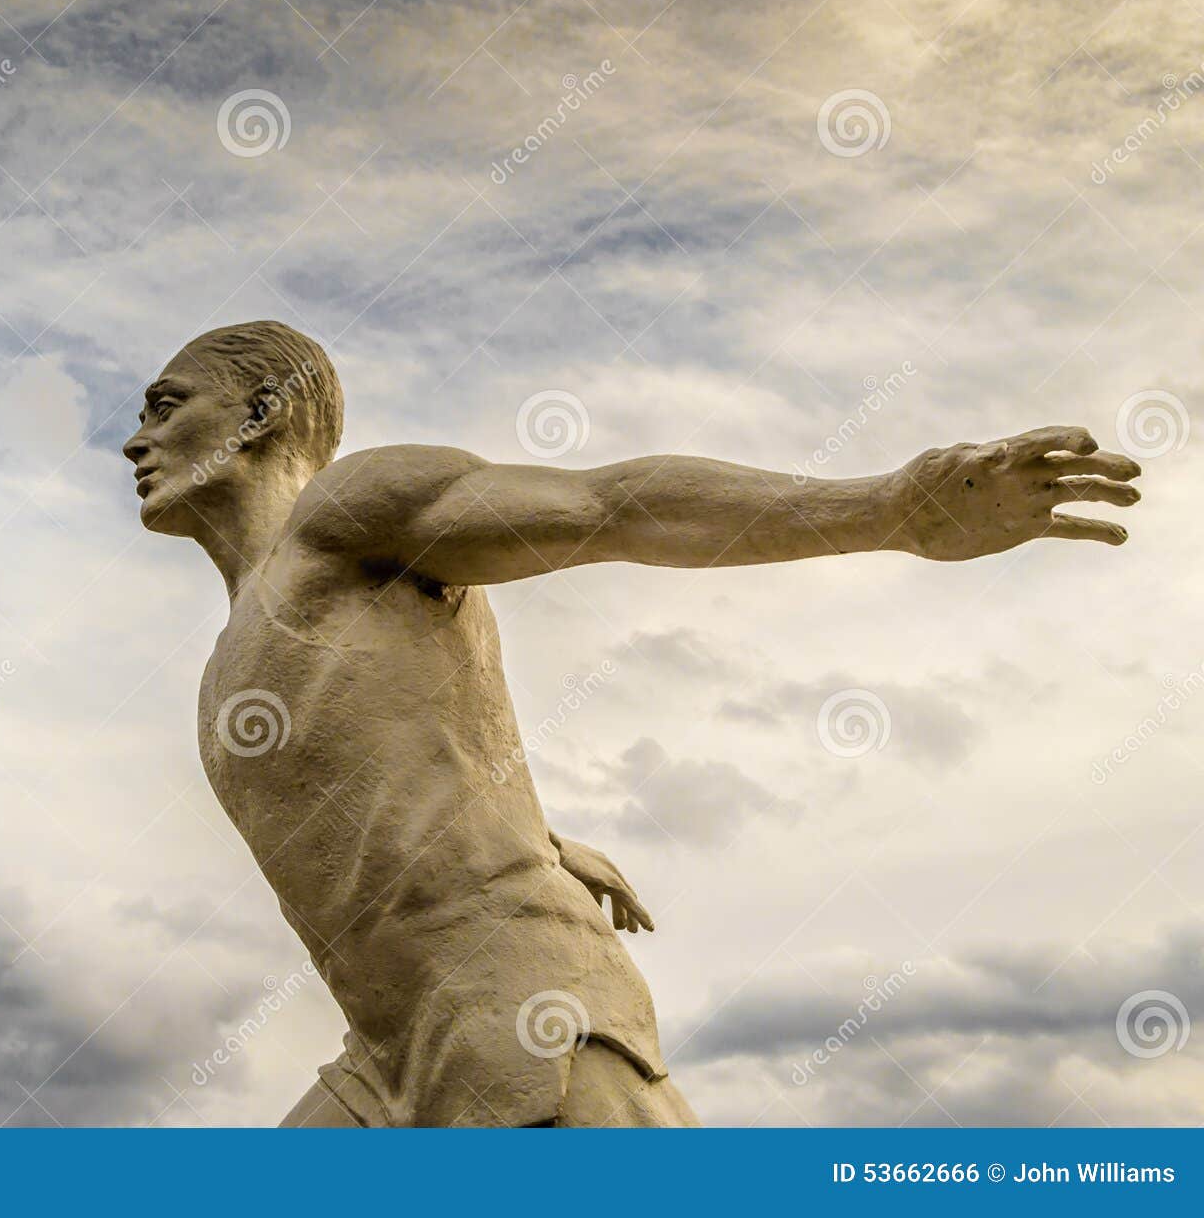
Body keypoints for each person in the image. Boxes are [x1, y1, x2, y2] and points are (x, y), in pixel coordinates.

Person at [123, 320, 1141, 1126]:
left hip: (516, 1015)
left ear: (259, 412)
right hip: (382, 1062)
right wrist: (545, 839)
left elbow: (607, 505)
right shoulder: (228, 666)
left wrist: (889, 507)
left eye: (166, 405)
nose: (137, 437)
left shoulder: (347, 515)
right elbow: (396, 760)